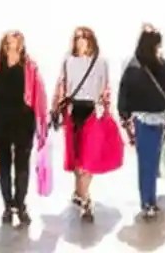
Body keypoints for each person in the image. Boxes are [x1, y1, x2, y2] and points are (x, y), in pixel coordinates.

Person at [0, 31, 49, 227]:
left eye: (16, 40)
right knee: (4, 164)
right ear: (4, 44)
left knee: (22, 164)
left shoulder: (30, 66)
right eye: (9, 41)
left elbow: (39, 96)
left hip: (23, 121)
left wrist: (43, 122)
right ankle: (8, 205)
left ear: (21, 43)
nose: (12, 44)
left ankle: (21, 204)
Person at [117, 25, 165, 220]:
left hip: (140, 120)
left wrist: (124, 114)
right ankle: (149, 200)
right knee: (152, 161)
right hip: (159, 119)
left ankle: (147, 200)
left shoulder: (132, 67)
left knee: (145, 162)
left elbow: (124, 91)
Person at [53, 26, 110, 221]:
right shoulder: (68, 62)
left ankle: (85, 200)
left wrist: (106, 111)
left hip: (92, 111)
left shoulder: (100, 63)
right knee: (77, 159)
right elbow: (61, 85)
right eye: (77, 38)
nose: (81, 42)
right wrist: (56, 109)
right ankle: (80, 193)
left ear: (91, 41)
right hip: (73, 110)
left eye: (84, 38)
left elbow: (105, 88)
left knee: (88, 160)